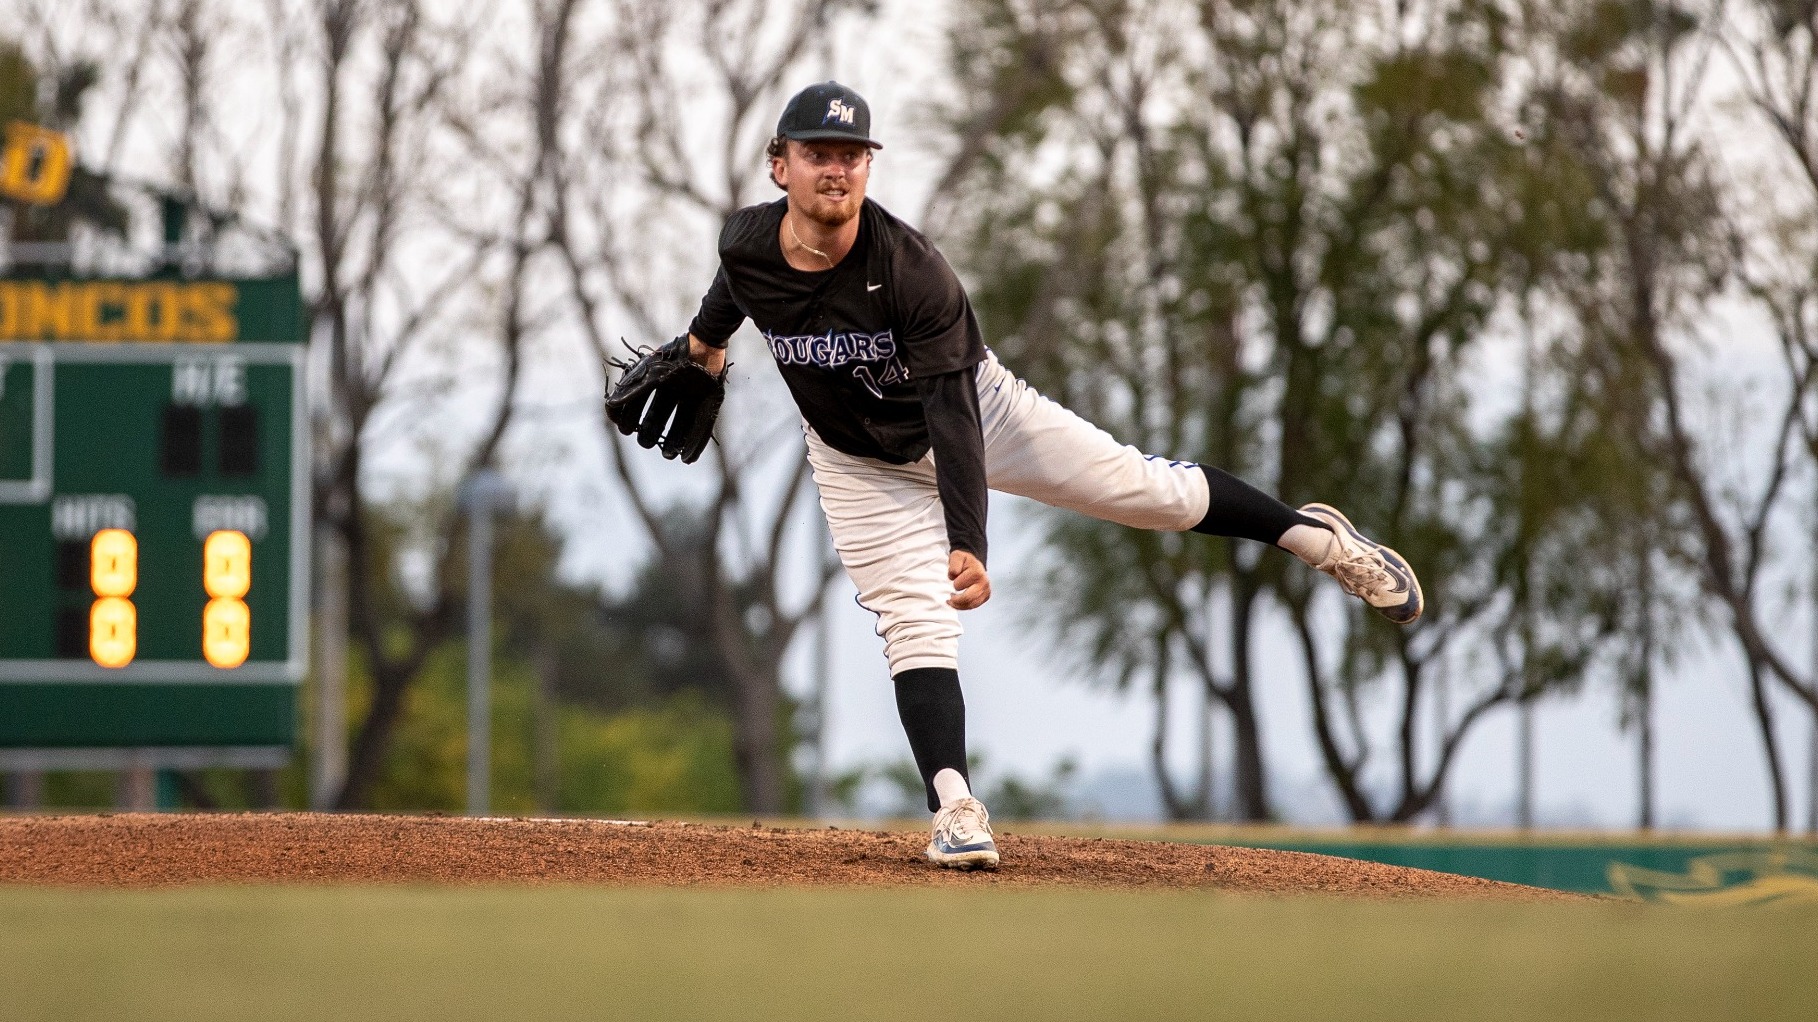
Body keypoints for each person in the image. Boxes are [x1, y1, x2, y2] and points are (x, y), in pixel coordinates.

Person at [673, 81, 1420, 870]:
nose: (837, 169)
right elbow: (735, 284)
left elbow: (952, 417)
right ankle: (956, 807)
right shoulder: (747, 242)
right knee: (913, 618)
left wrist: (969, 541)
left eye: (852, 155)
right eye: (817, 153)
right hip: (858, 461)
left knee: (1145, 492)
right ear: (778, 166)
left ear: (868, 167)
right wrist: (703, 349)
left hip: (978, 416)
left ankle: (1316, 540)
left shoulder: (911, 269)